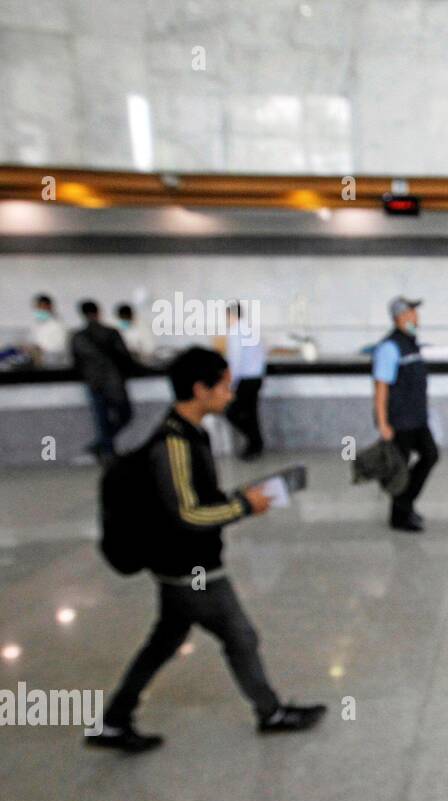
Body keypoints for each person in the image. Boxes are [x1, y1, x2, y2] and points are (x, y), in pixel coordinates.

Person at [91, 347, 325, 753]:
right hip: (189, 568)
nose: (231, 394)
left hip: (180, 564)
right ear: (200, 389)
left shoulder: (190, 433)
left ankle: (114, 720)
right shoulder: (174, 445)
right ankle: (270, 712)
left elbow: (194, 499)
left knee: (165, 640)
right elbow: (187, 514)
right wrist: (243, 506)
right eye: (224, 386)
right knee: (241, 635)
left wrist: (238, 498)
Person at [372, 296, 438, 533]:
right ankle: (399, 516)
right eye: (412, 312)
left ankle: (406, 504)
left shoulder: (410, 343)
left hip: (417, 418)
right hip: (399, 420)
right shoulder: (390, 347)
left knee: (430, 455)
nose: (416, 317)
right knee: (401, 468)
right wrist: (382, 423)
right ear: (401, 316)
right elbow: (381, 387)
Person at [70, 299, 138, 461]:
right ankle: (104, 447)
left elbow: (76, 363)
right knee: (124, 415)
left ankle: (103, 446)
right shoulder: (112, 333)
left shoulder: (78, 337)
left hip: (93, 383)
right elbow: (125, 357)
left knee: (102, 419)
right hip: (114, 381)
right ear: (99, 312)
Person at [222, 302, 266, 460]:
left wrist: (230, 383)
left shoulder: (235, 332)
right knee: (251, 414)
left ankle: (254, 443)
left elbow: (235, 360)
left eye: (226, 315)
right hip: (255, 378)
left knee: (232, 412)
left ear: (232, 315)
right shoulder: (250, 329)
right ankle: (256, 445)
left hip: (244, 380)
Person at [27, 293, 68, 364]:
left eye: (41, 307)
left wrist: (40, 349)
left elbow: (60, 348)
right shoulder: (36, 324)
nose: (38, 310)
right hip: (37, 360)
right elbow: (32, 340)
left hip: (52, 362)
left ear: (49, 307)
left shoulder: (58, 325)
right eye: (37, 307)